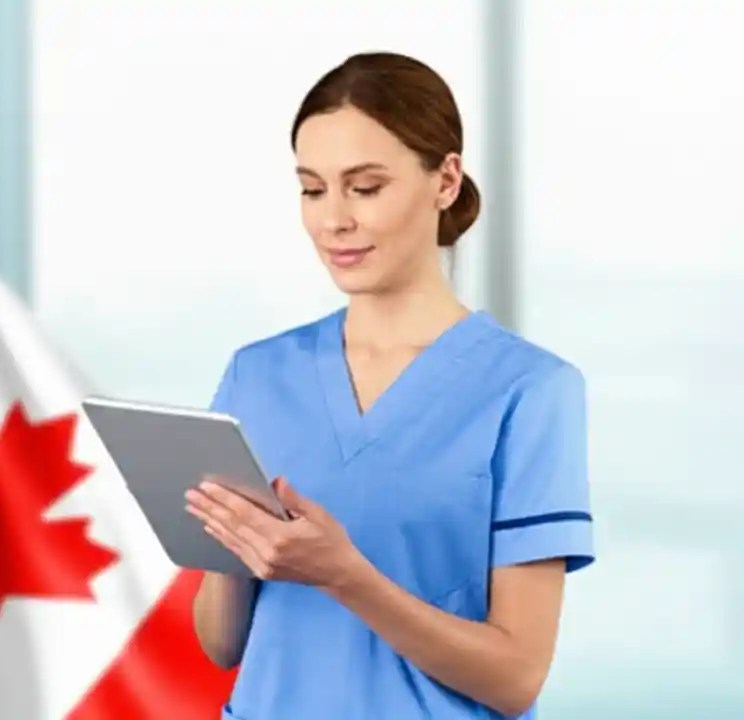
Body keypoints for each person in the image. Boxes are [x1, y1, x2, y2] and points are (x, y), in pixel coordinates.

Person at [184, 51, 595, 719]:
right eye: (312, 189)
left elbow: (517, 677)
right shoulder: (255, 375)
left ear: (445, 180)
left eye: (365, 187)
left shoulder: (528, 391)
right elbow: (221, 643)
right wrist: (242, 547)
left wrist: (345, 575)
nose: (333, 220)